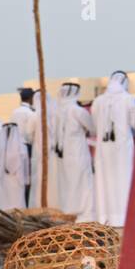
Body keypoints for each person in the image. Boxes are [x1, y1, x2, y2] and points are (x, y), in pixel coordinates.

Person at [92, 71, 135, 226]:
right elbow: (133, 123)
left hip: (104, 150)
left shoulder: (98, 101)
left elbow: (94, 124)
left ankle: (106, 217)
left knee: (105, 180)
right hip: (123, 149)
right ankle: (124, 216)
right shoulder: (129, 99)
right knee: (124, 179)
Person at [53, 82, 96, 221]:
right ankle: (84, 214)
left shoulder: (56, 111)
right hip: (78, 150)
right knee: (83, 181)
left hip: (63, 154)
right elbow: (92, 128)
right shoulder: (77, 110)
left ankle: (69, 211)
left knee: (68, 182)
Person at [0, 122, 28, 211]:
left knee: (17, 207)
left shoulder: (22, 146)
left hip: (17, 180)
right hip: (2, 180)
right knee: (3, 206)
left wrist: (26, 180)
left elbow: (26, 165)